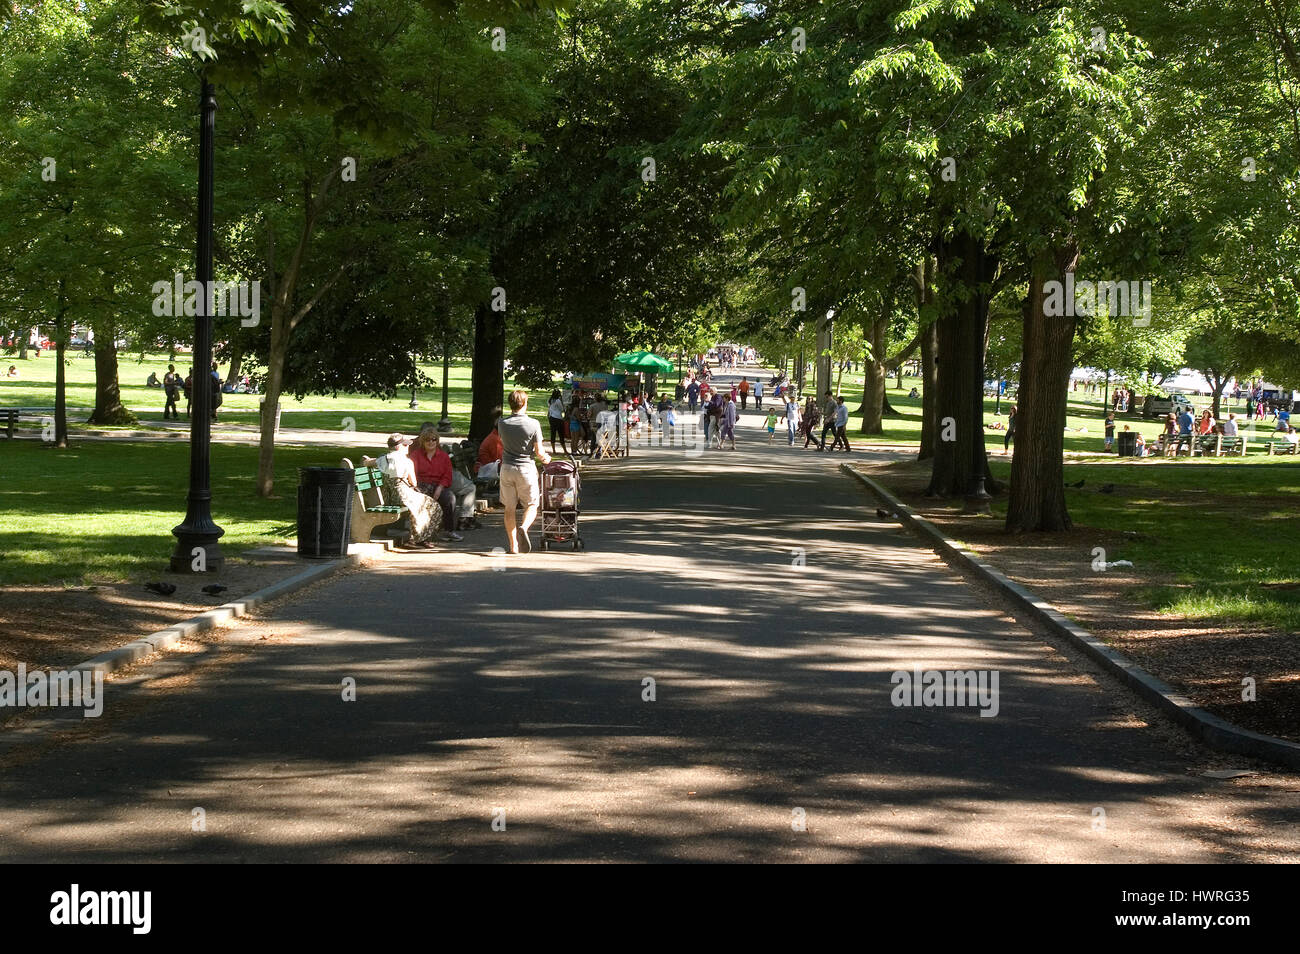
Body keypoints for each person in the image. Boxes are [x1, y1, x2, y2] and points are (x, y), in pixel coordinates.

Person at [498, 389, 551, 554]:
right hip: (525, 468)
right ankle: (524, 526)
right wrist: (546, 459)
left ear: (510, 404)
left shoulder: (502, 423)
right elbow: (539, 452)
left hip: (506, 468)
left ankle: (513, 545)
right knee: (532, 504)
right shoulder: (533, 424)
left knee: (509, 507)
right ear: (525, 403)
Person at [365, 434, 439, 549]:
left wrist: (368, 461)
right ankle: (418, 538)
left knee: (422, 504)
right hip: (402, 495)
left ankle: (419, 537)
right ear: (399, 447)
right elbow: (413, 483)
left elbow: (367, 462)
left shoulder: (382, 460)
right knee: (431, 504)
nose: (407, 447)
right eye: (405, 445)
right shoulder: (407, 462)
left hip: (387, 496)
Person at [411, 427, 464, 542]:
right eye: (427, 440)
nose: (431, 442)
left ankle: (449, 530)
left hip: (437, 485)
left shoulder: (444, 456)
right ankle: (423, 533)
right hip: (421, 485)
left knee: (450, 498)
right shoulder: (416, 455)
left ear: (437, 441)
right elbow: (411, 473)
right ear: (423, 442)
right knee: (421, 500)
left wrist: (440, 488)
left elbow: (447, 476)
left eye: (433, 439)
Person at [547, 389, 569, 455]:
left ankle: (553, 450)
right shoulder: (558, 401)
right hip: (558, 418)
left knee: (553, 434)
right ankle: (565, 450)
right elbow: (562, 409)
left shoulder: (550, 400)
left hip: (551, 417)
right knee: (561, 434)